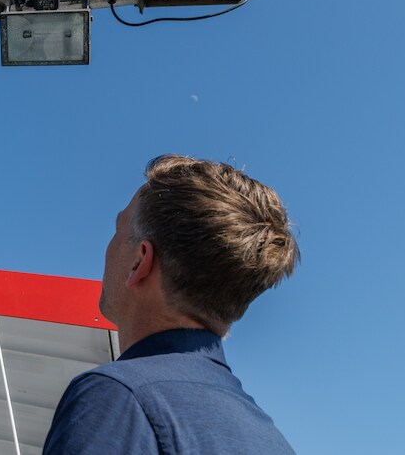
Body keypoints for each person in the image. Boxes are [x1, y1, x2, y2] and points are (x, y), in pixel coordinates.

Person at [43, 155, 299, 454]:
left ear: (139, 260)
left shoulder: (117, 398)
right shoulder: (270, 439)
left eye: (118, 229)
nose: (108, 246)